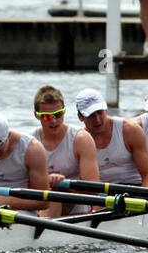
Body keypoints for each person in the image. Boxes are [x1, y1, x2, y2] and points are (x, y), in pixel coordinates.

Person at [31, 86, 99, 216]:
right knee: (51, 197)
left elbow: (92, 190)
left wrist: (62, 185)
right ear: (36, 115)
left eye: (58, 114)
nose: (54, 121)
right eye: (46, 117)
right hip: (41, 204)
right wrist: (47, 181)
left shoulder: (81, 139)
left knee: (53, 197)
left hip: (76, 205)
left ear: (64, 111)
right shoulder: (30, 142)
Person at [73, 88, 148, 187]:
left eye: (99, 112)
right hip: (101, 193)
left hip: (134, 188)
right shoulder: (79, 141)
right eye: (91, 115)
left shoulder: (130, 130)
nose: (97, 119)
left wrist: (142, 199)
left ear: (106, 109)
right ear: (80, 117)